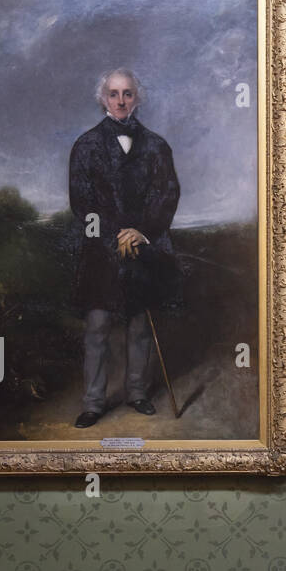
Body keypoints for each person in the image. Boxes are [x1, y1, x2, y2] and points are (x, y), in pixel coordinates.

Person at [68, 68, 180, 428]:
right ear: (103, 99)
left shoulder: (157, 146)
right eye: (114, 94)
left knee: (139, 326)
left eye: (127, 93)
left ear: (137, 98)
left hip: (144, 248)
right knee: (98, 326)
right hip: (102, 252)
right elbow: (81, 203)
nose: (120, 100)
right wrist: (115, 235)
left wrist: (141, 232)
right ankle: (94, 402)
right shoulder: (85, 146)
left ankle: (137, 392)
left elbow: (167, 195)